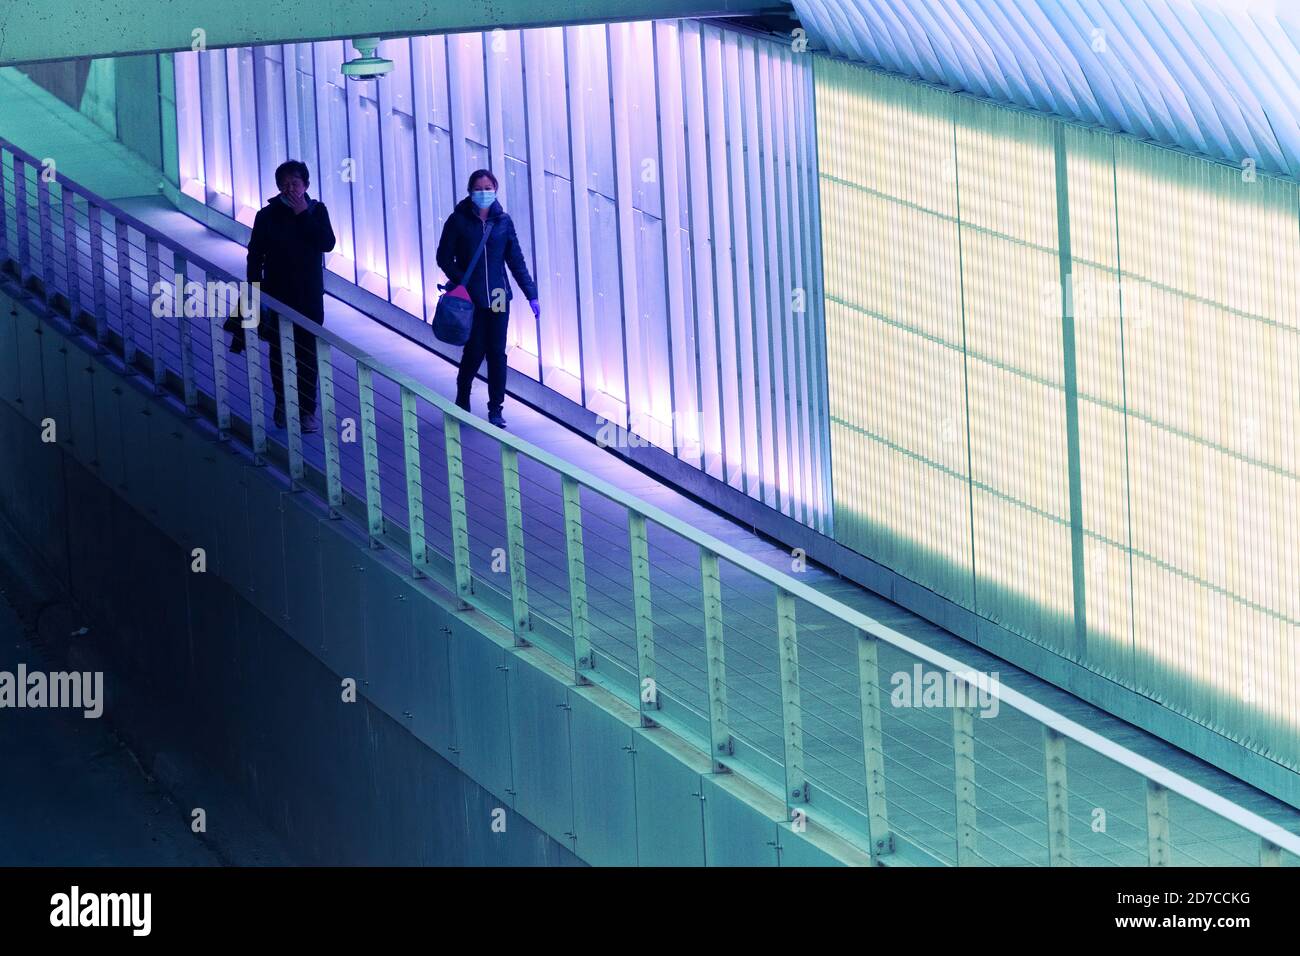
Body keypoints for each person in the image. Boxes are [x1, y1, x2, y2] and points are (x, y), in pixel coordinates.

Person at [436, 169, 539, 429]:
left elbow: (515, 260)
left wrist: (531, 294)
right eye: (478, 188)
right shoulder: (458, 220)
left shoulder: (503, 222)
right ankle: (462, 399)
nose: (484, 193)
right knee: (474, 350)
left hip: (498, 297)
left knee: (496, 353)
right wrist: (462, 282)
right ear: (471, 191)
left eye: (488, 187)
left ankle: (496, 408)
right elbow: (443, 258)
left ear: (496, 189)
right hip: (471, 298)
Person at [246, 160, 336, 433]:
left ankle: (307, 411)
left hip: (308, 297)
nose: (290, 189)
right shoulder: (267, 216)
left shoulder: (317, 211)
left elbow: (327, 243)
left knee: (307, 355)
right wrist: (255, 290)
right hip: (276, 295)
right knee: (279, 353)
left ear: (306, 185)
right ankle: (283, 406)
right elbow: (255, 255)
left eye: (295, 183)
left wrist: (303, 215)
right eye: (285, 184)